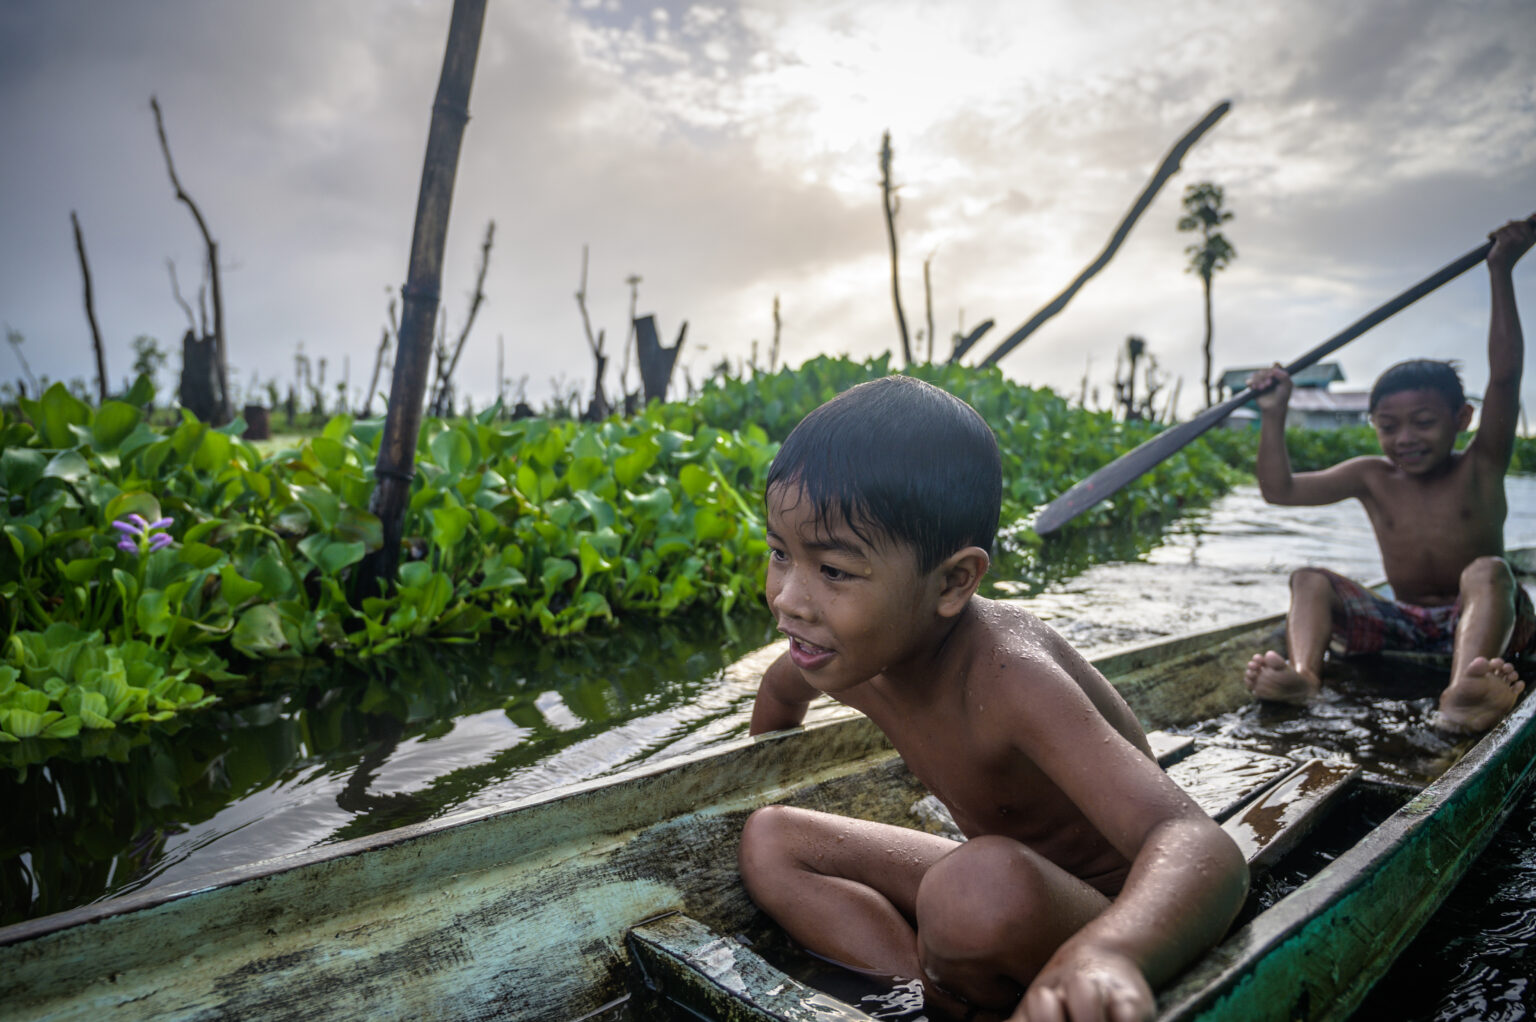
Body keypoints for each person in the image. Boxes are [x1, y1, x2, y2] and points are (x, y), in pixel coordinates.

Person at [737, 375, 1248, 1022]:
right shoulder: (849, 653)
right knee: (769, 840)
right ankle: (926, 998)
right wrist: (756, 767)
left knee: (973, 889)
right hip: (988, 891)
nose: (788, 599)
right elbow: (780, 689)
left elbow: (1200, 845)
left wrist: (1108, 954)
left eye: (833, 570)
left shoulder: (1011, 678)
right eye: (779, 553)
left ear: (954, 582)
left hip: (1111, 914)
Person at [1243, 217, 1536, 733]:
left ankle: (1462, 693)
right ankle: (1305, 677)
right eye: (1389, 426)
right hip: (1405, 623)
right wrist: (1273, 413)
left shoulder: (1481, 463)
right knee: (1308, 578)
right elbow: (1279, 491)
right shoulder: (1371, 476)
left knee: (1490, 570)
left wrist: (1500, 270)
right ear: (1374, 425)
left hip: (1486, 628)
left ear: (1461, 419)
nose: (1405, 439)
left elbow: (1505, 377)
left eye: (1423, 422)